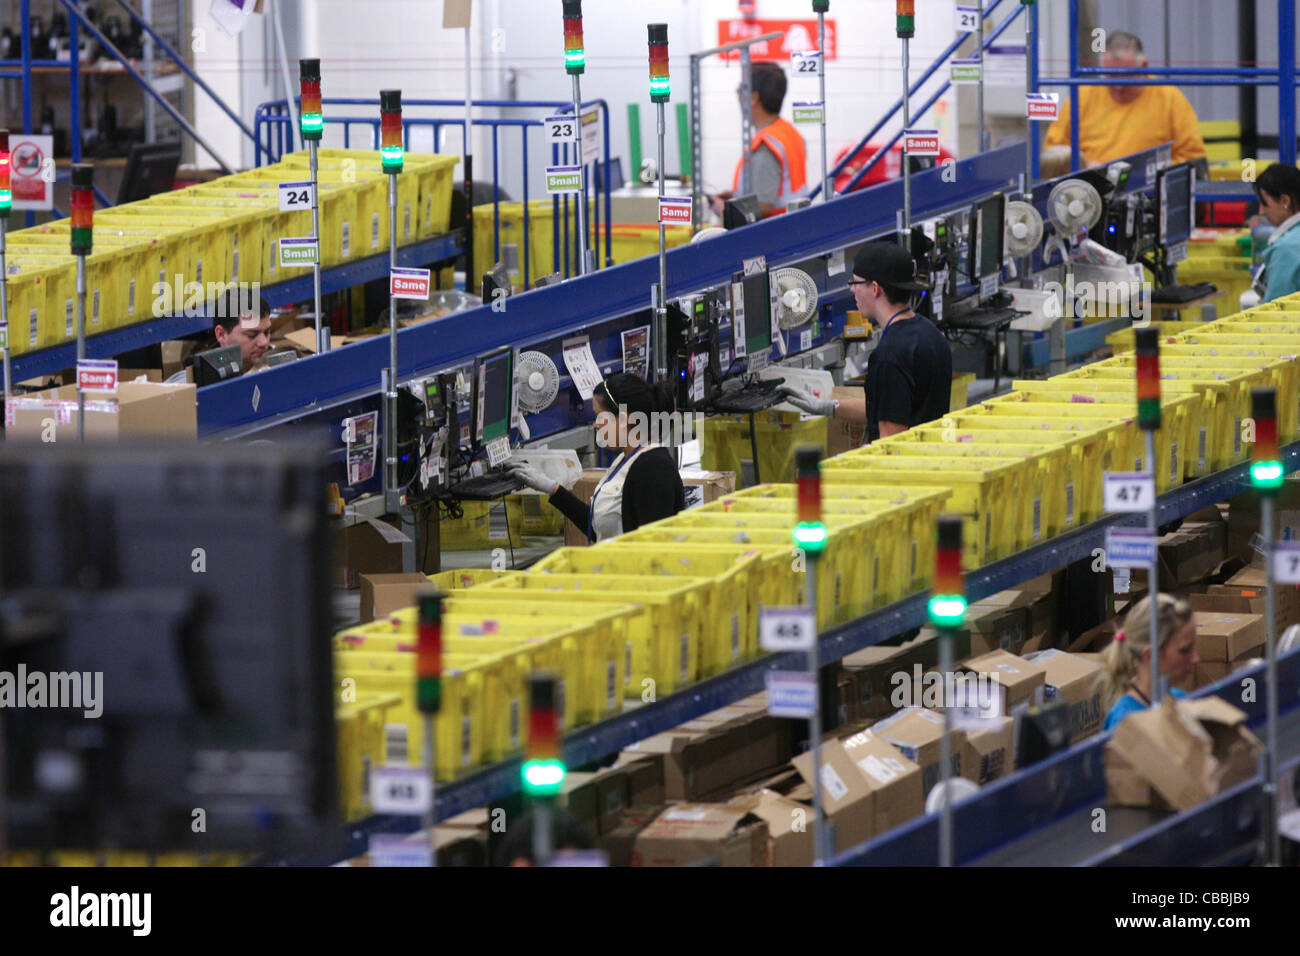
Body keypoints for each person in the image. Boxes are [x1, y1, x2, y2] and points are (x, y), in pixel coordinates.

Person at [781, 242, 952, 443]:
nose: (852, 291)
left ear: (875, 288)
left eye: (855, 283)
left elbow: (891, 443)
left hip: (906, 470)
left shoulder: (890, 355)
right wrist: (824, 406)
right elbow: (885, 408)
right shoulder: (930, 334)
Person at [509, 373, 685, 542]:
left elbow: (651, 550)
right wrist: (553, 489)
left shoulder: (653, 469)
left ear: (624, 419)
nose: (596, 424)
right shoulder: (626, 459)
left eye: (600, 416)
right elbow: (598, 529)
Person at [1044, 31, 1206, 170]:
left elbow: (1193, 157)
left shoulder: (1169, 98)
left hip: (1151, 194)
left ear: (1144, 67)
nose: (1119, 86)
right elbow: (1054, 152)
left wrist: (1147, 173)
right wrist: (1082, 167)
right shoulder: (1082, 97)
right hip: (1091, 193)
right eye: (1111, 76)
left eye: (1127, 75)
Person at [709, 63, 808, 219]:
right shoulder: (789, 134)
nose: (738, 97)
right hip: (791, 227)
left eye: (739, 91)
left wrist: (725, 210)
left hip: (771, 235)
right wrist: (736, 195)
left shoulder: (766, 146)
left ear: (753, 98)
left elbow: (764, 206)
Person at [1100, 593, 1198, 732]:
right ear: (1151, 655)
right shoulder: (1125, 724)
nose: (1195, 659)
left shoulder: (1180, 700)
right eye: (1185, 650)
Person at [1250, 163, 1300, 303]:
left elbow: (1275, 315)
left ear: (1285, 201)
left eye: (1264, 203)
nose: (1261, 212)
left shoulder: (1286, 249)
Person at [211, 286, 272, 372]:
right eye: (252, 335)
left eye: (267, 332)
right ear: (221, 335)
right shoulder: (205, 383)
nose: (264, 342)